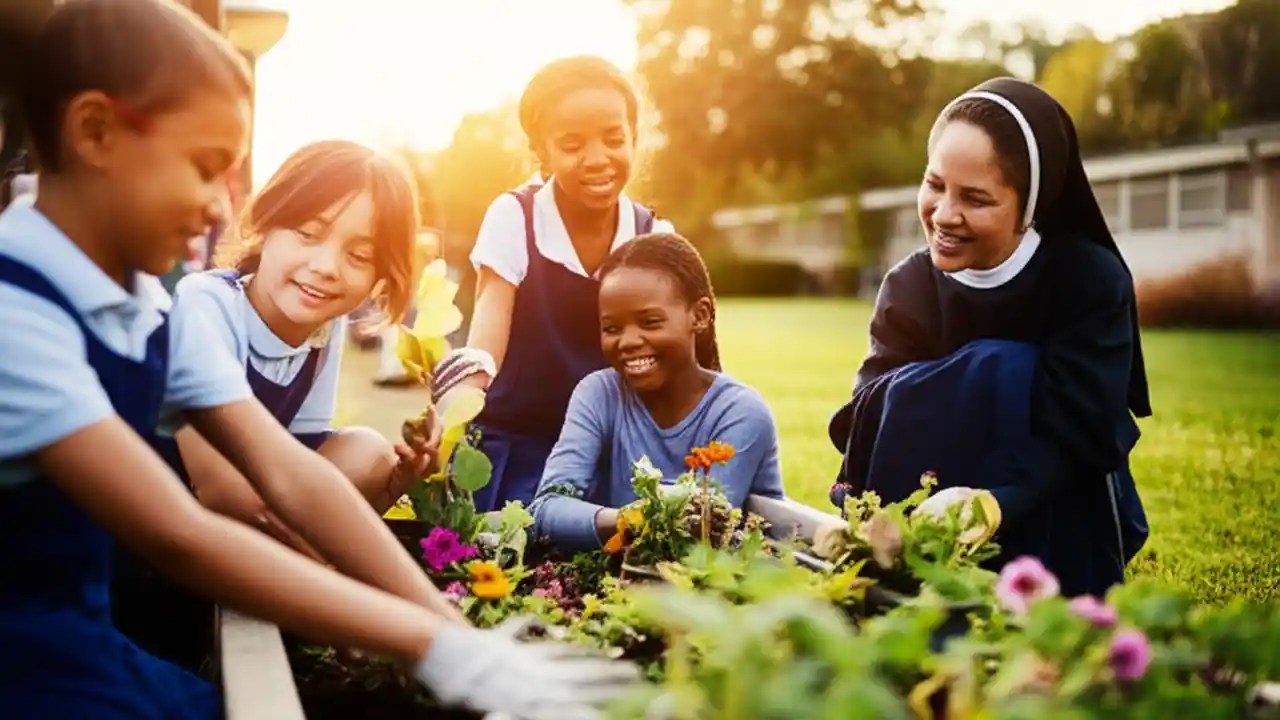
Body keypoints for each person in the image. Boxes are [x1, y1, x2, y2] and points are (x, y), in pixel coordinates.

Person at [0, 2, 635, 718]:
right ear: (95, 132)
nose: (219, 209)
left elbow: (291, 469)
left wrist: (454, 627)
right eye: (205, 169)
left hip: (85, 638)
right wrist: (430, 646)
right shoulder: (16, 316)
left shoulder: (140, 305)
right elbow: (180, 533)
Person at [827, 77, 1151, 598]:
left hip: (1054, 502)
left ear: (1030, 207)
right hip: (926, 492)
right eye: (934, 185)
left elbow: (1085, 430)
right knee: (1007, 365)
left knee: (1009, 366)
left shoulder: (1088, 280)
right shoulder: (909, 284)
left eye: (975, 198)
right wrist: (998, 377)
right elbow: (867, 413)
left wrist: (993, 503)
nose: (944, 215)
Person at [430, 55, 675, 512]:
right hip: (516, 444)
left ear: (634, 138)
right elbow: (485, 347)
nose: (597, 159)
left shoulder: (655, 238)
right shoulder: (515, 219)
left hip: (610, 453)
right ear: (541, 153)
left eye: (613, 138)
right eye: (572, 144)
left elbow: (678, 368)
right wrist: (451, 419)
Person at [530, 233, 784, 552]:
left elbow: (700, 529)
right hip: (632, 582)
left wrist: (619, 520)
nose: (628, 341)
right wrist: (629, 519)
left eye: (650, 322)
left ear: (700, 315)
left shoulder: (740, 412)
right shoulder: (599, 394)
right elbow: (546, 508)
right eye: (612, 328)